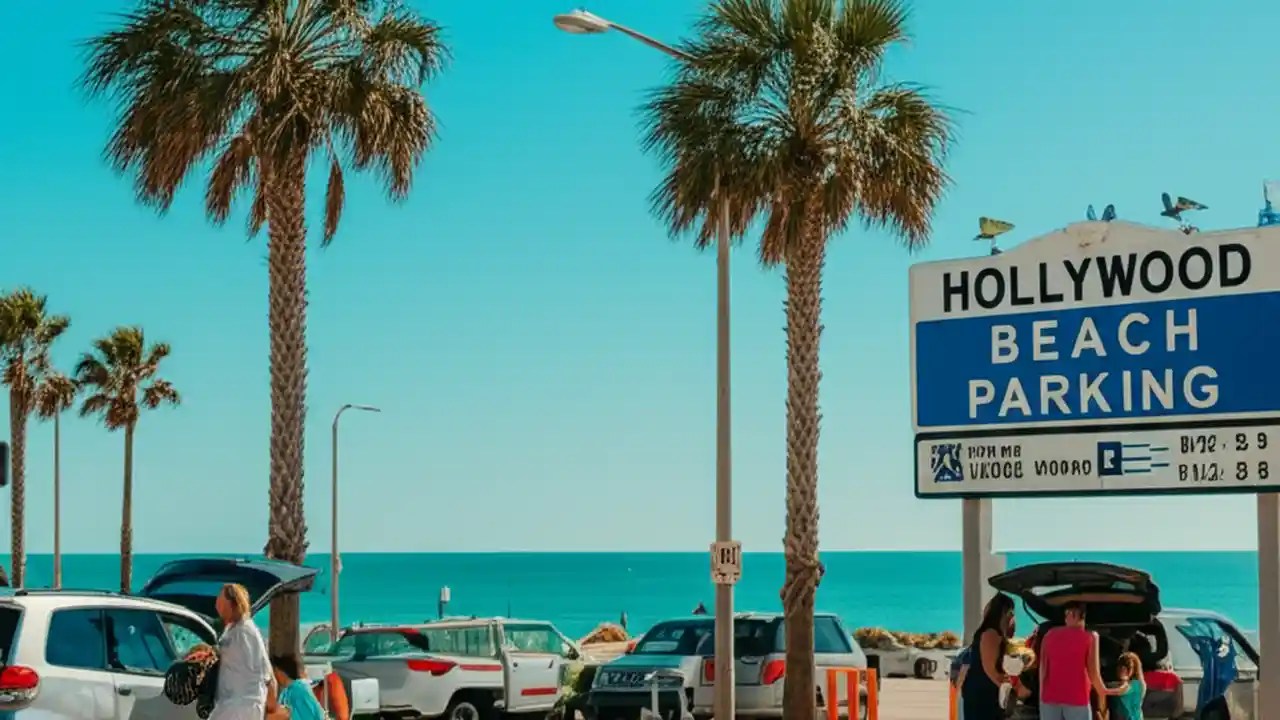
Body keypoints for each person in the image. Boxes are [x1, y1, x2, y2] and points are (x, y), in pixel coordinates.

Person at [202, 583, 272, 720]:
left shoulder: (245, 631)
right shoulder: (233, 629)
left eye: (221, 600)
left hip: (242, 705)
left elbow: (264, 673)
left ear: (232, 603)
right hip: (232, 704)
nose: (217, 605)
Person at [1039, 601, 1108, 720]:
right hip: (1077, 698)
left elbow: (1043, 669)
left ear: (1071, 614)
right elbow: (1093, 672)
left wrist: (1041, 696)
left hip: (1049, 697)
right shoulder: (1090, 637)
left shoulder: (1049, 635)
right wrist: (1104, 692)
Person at [962, 592, 1015, 720]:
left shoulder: (996, 633)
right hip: (982, 690)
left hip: (982, 688)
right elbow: (989, 668)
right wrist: (1006, 690)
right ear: (1003, 612)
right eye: (1010, 612)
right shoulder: (990, 634)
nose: (1012, 616)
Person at [269, 654, 326, 720]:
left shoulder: (300, 689)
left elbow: (318, 714)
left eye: (275, 672)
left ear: (280, 672)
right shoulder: (285, 693)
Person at [1103, 652, 1145, 720]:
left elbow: (1122, 690)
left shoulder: (1136, 685)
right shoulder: (1117, 684)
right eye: (1120, 665)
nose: (1122, 668)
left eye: (1127, 666)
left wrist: (1104, 690)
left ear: (1134, 669)